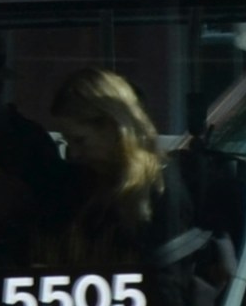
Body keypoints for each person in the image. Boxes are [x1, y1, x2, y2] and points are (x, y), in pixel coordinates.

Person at [46, 68, 188, 274]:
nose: (75, 154)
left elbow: (168, 285)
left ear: (113, 127)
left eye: (80, 141)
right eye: (68, 143)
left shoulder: (161, 191)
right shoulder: (84, 184)